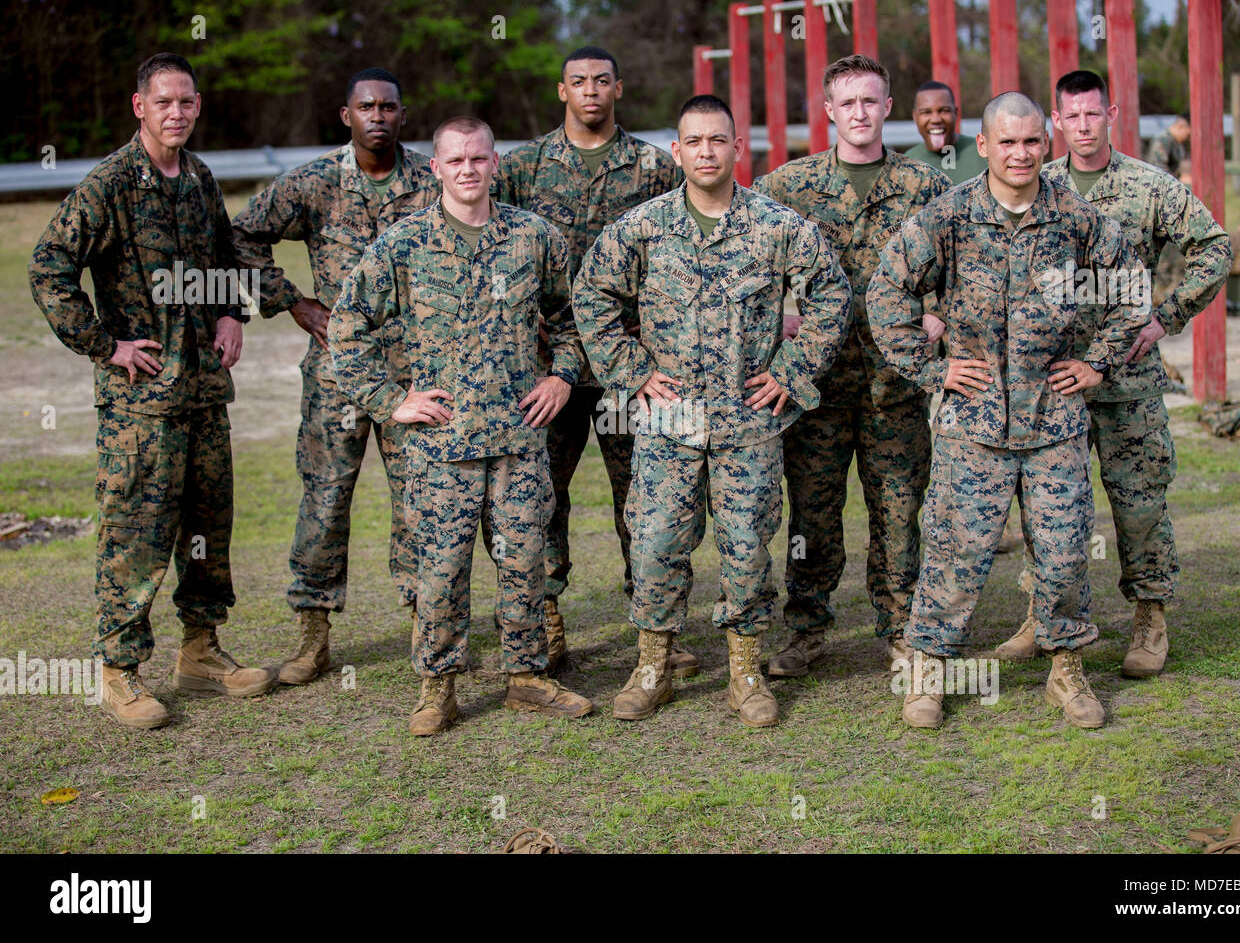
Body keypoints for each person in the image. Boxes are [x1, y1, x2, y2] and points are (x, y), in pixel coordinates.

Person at [868, 92, 1146, 730]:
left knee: (1064, 551)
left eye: (1031, 142)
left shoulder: (1076, 218)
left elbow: (1132, 291)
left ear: (1045, 143)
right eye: (1007, 142)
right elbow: (885, 292)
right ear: (984, 146)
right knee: (954, 553)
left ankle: (1066, 672)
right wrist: (933, 369)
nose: (1020, 154)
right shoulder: (949, 216)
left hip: (1055, 423)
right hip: (973, 425)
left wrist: (1098, 362)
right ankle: (930, 673)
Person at [572, 95, 852, 727]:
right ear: (678, 151)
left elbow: (832, 293)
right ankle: (653, 666)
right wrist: (632, 373)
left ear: (737, 149)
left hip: (747, 422)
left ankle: (745, 669)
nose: (706, 151)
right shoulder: (643, 227)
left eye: (717, 141)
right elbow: (591, 293)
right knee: (654, 545)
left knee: (748, 548)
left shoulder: (776, 226)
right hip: (668, 423)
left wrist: (791, 370)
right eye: (693, 141)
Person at [29, 53, 274, 729]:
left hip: (203, 394)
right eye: (164, 102)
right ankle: (118, 670)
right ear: (140, 106)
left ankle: (200, 650)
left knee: (206, 527)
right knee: (137, 533)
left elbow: (223, 260)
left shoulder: (198, 178)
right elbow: (49, 268)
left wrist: (230, 312)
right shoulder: (109, 184)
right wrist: (105, 345)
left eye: (187, 102)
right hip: (141, 407)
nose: (177, 113)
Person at [329, 117, 595, 735]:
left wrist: (562, 377)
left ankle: (527, 678)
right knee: (441, 569)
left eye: (479, 158)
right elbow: (347, 328)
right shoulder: (404, 245)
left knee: (526, 559)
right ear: (437, 168)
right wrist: (390, 398)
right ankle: (437, 686)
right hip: (440, 445)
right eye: (456, 161)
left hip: (519, 439)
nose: (468, 170)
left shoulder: (533, 238)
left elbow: (574, 317)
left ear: (495, 163)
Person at [991, 70, 1230, 678]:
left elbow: (1215, 248)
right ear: (1055, 124)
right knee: (1046, 508)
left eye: (1093, 114)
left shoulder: (1150, 187)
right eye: (1070, 117)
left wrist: (1166, 317)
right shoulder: (1035, 186)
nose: (1083, 126)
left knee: (1139, 502)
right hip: (1054, 384)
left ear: (1111, 113)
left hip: (1126, 380)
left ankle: (1149, 617)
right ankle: (1041, 613)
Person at [232, 68, 440, 686]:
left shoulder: (432, 182)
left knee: (422, 502)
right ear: (346, 115)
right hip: (338, 373)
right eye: (366, 106)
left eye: (389, 106)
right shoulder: (316, 183)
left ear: (403, 115)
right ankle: (313, 637)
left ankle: (424, 628)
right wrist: (293, 301)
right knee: (325, 501)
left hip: (416, 377)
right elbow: (242, 234)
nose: (378, 115)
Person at [488, 46, 686, 673]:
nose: (591, 91)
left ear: (618, 89)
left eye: (602, 81)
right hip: (549, 369)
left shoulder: (655, 167)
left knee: (647, 496)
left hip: (636, 363)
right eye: (579, 82)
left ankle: (656, 626)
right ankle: (544, 619)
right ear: (561, 90)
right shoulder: (522, 169)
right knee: (542, 491)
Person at [752, 55, 950, 678]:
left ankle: (901, 628)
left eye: (871, 101)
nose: (860, 113)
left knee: (898, 507)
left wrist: (939, 313)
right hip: (816, 384)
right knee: (812, 509)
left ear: (888, 108)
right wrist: (774, 316)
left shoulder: (926, 187)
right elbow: (747, 258)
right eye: (848, 103)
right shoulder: (787, 187)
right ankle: (807, 627)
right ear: (829, 110)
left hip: (896, 383)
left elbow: (960, 262)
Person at [903, 80, 986, 184]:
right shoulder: (907, 163)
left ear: (955, 113)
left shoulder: (982, 154)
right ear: (915, 116)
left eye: (944, 111)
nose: (936, 119)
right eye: (926, 112)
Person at [1145, 113, 1191, 181]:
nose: (1188, 139)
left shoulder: (1176, 142)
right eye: (1188, 135)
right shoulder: (1162, 140)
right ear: (1181, 126)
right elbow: (1158, 169)